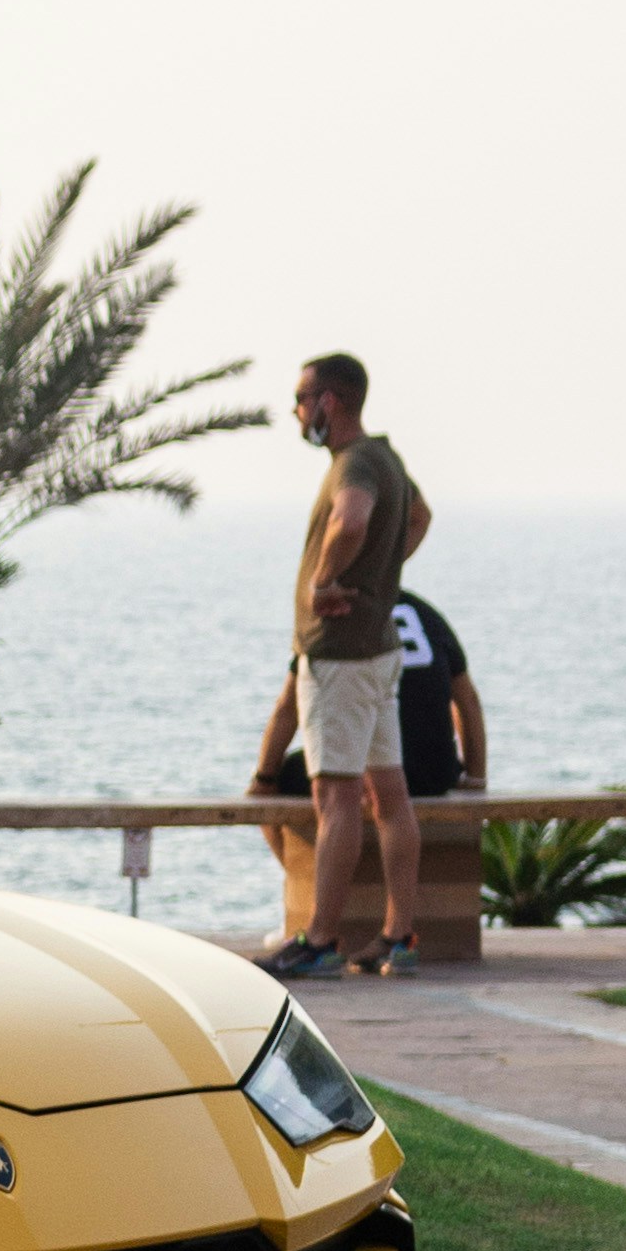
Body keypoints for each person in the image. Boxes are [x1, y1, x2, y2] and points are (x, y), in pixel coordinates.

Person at [259, 354, 433, 980]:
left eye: (302, 398)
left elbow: (352, 517)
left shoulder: (355, 464)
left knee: (334, 796)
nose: (297, 411)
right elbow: (419, 518)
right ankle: (398, 936)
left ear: (329, 402)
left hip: (339, 654)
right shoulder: (388, 458)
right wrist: (382, 576)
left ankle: (322, 940)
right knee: (390, 794)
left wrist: (327, 579)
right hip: (378, 649)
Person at [252, 590, 485, 967]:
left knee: (302, 787)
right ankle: (394, 933)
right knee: (388, 797)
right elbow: (467, 700)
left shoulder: (338, 620)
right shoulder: (427, 615)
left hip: (368, 768)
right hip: (433, 770)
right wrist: (475, 775)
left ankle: (315, 913)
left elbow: (287, 707)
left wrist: (262, 779)